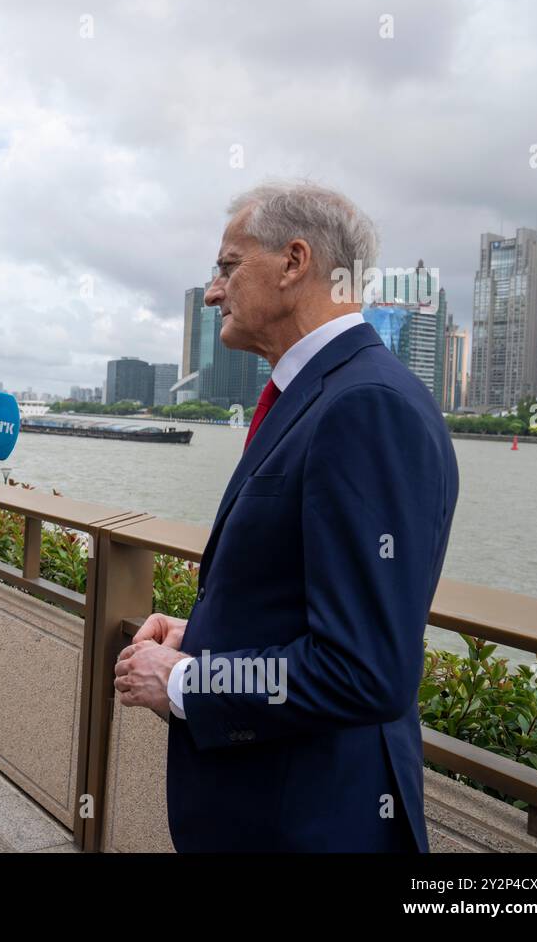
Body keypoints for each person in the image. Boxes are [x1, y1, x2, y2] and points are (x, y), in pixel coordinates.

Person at [113, 182, 458, 852]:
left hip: (310, 822)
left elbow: (364, 670)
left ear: (294, 262)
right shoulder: (319, 393)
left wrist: (187, 679)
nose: (213, 292)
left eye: (228, 266)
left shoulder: (365, 406)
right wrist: (209, 634)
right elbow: (310, 601)